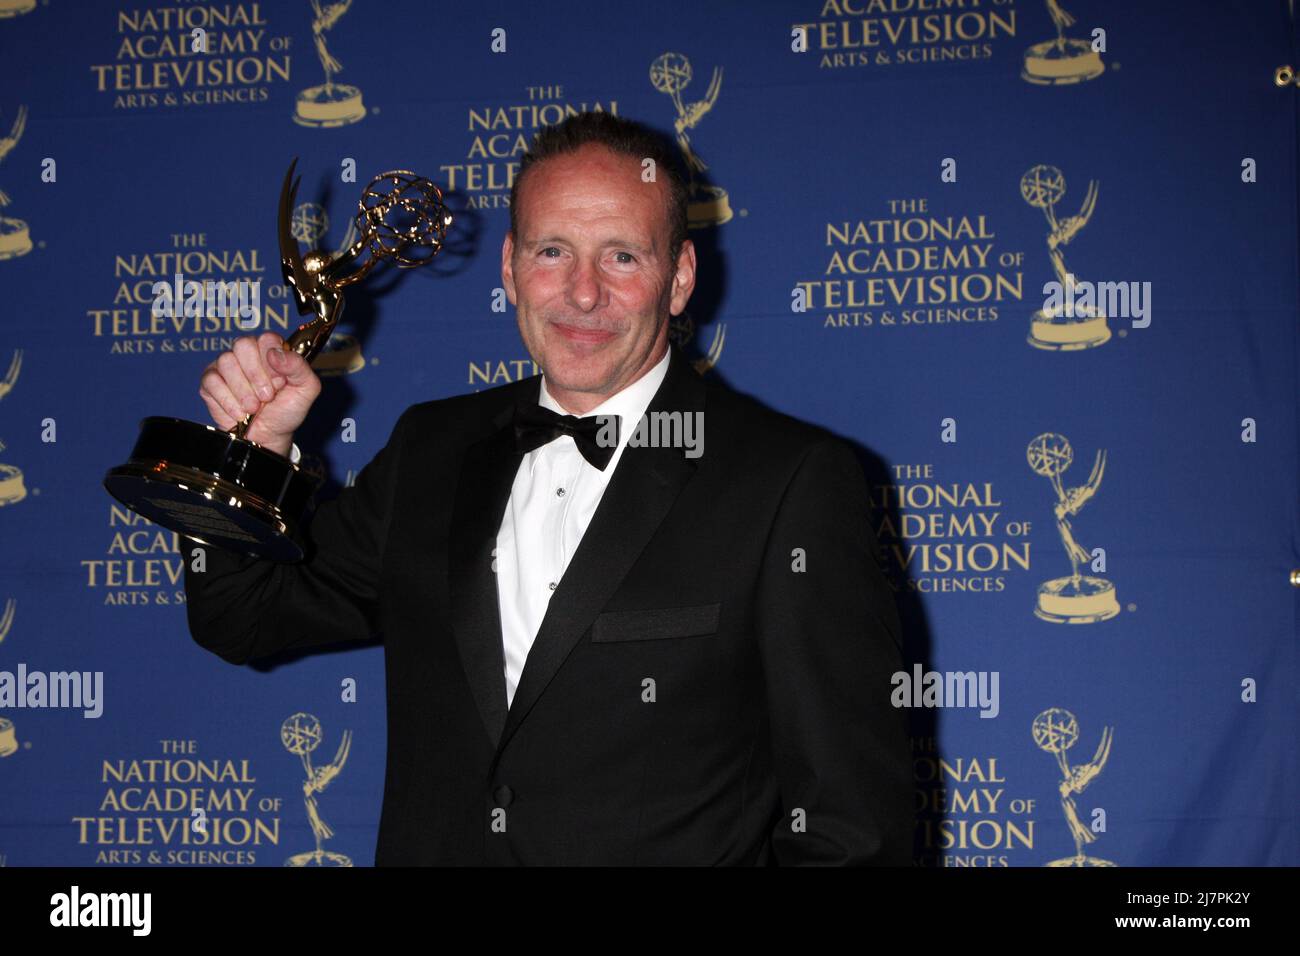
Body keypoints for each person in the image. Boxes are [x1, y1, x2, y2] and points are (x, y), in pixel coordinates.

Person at [185, 111, 910, 865]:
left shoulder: (788, 481)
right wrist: (255, 456)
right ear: (509, 265)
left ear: (680, 277)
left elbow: (853, 829)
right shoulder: (430, 451)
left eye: (623, 256)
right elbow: (244, 618)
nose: (583, 293)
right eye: (552, 250)